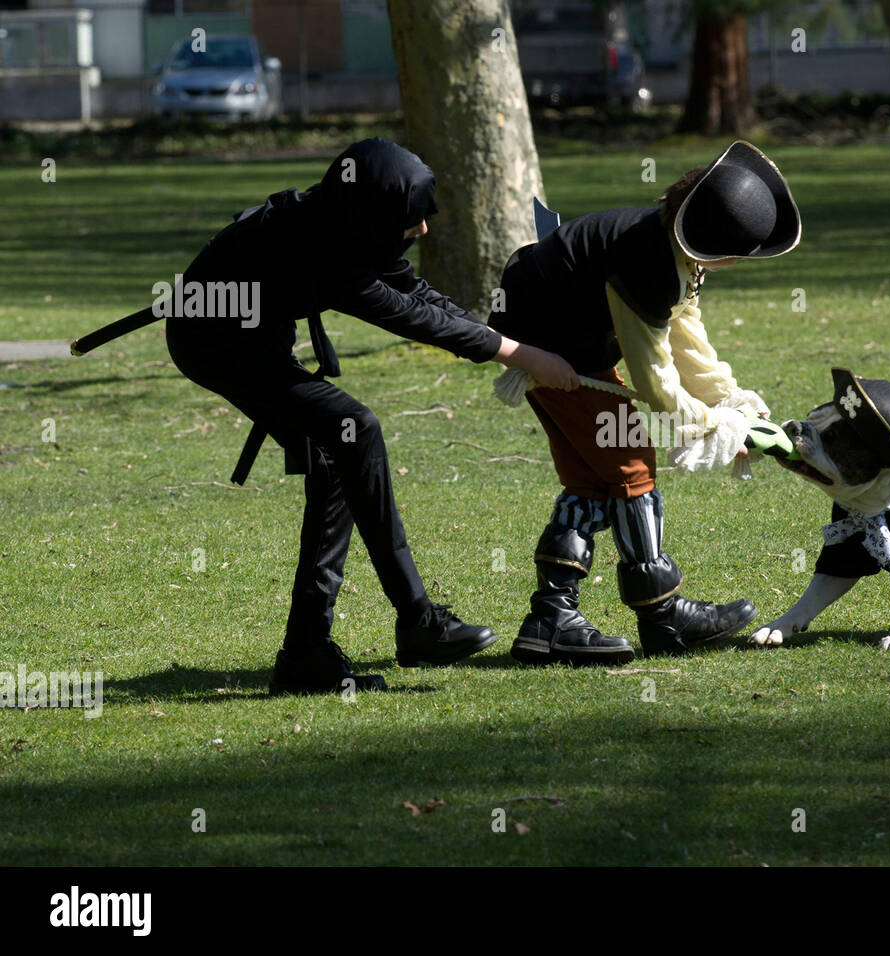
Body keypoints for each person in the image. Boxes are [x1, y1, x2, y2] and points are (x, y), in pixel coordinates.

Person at [158, 138, 579, 694]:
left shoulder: (349, 221)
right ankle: (416, 621)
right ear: (374, 214)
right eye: (411, 219)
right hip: (213, 342)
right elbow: (411, 317)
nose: (423, 230)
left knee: (339, 456)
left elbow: (418, 292)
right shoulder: (325, 246)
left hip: (252, 337)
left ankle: (309, 654)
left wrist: (512, 342)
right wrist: (521, 356)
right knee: (354, 429)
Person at [489, 141, 802, 666]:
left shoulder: (669, 246)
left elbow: (685, 331)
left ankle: (550, 619)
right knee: (633, 467)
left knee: (592, 481)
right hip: (551, 351)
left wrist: (729, 396)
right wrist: (718, 425)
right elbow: (656, 384)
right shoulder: (646, 264)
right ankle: (662, 615)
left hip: (557, 341)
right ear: (720, 251)